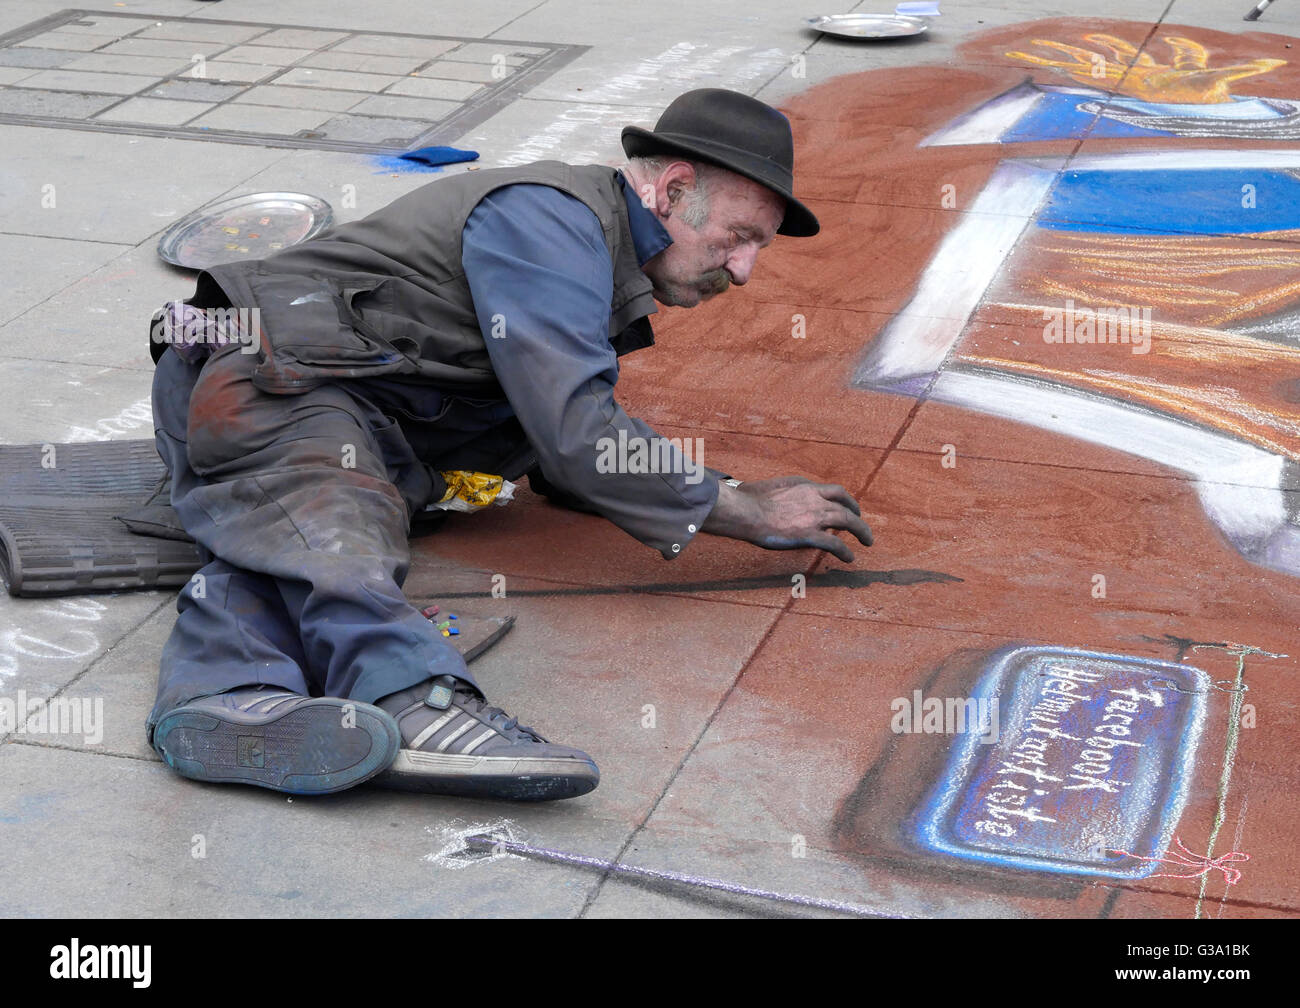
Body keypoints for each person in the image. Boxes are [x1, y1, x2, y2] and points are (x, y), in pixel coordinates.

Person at [145, 88, 874, 802]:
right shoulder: (548, 222)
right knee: (339, 519)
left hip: (314, 392)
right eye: (739, 238)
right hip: (266, 376)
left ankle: (228, 698)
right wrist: (739, 510)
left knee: (287, 537)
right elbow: (573, 428)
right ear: (673, 191)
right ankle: (411, 699)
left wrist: (719, 489)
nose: (744, 270)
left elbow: (549, 430)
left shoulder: (592, 244)